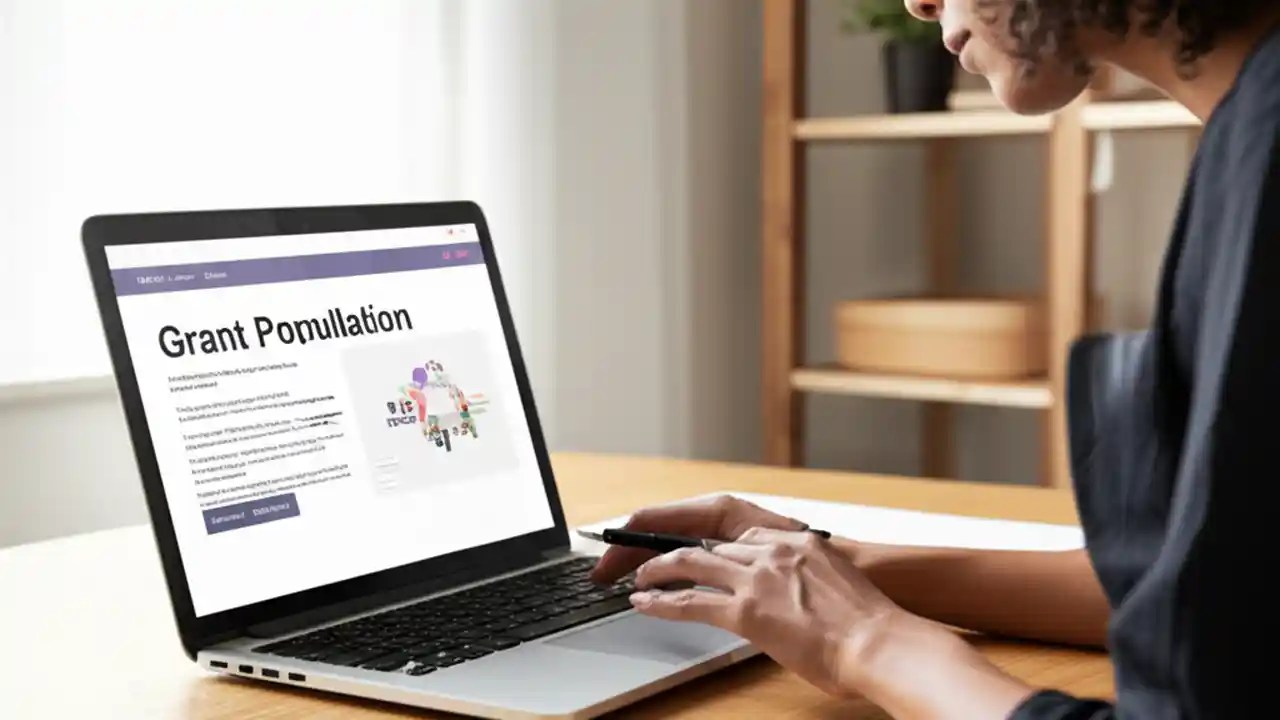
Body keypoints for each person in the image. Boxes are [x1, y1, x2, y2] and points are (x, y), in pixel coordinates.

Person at [589, 1, 1280, 717]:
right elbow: (1208, 591)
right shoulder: (1249, 126)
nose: (918, 2)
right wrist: (838, 567)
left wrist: (865, 642)